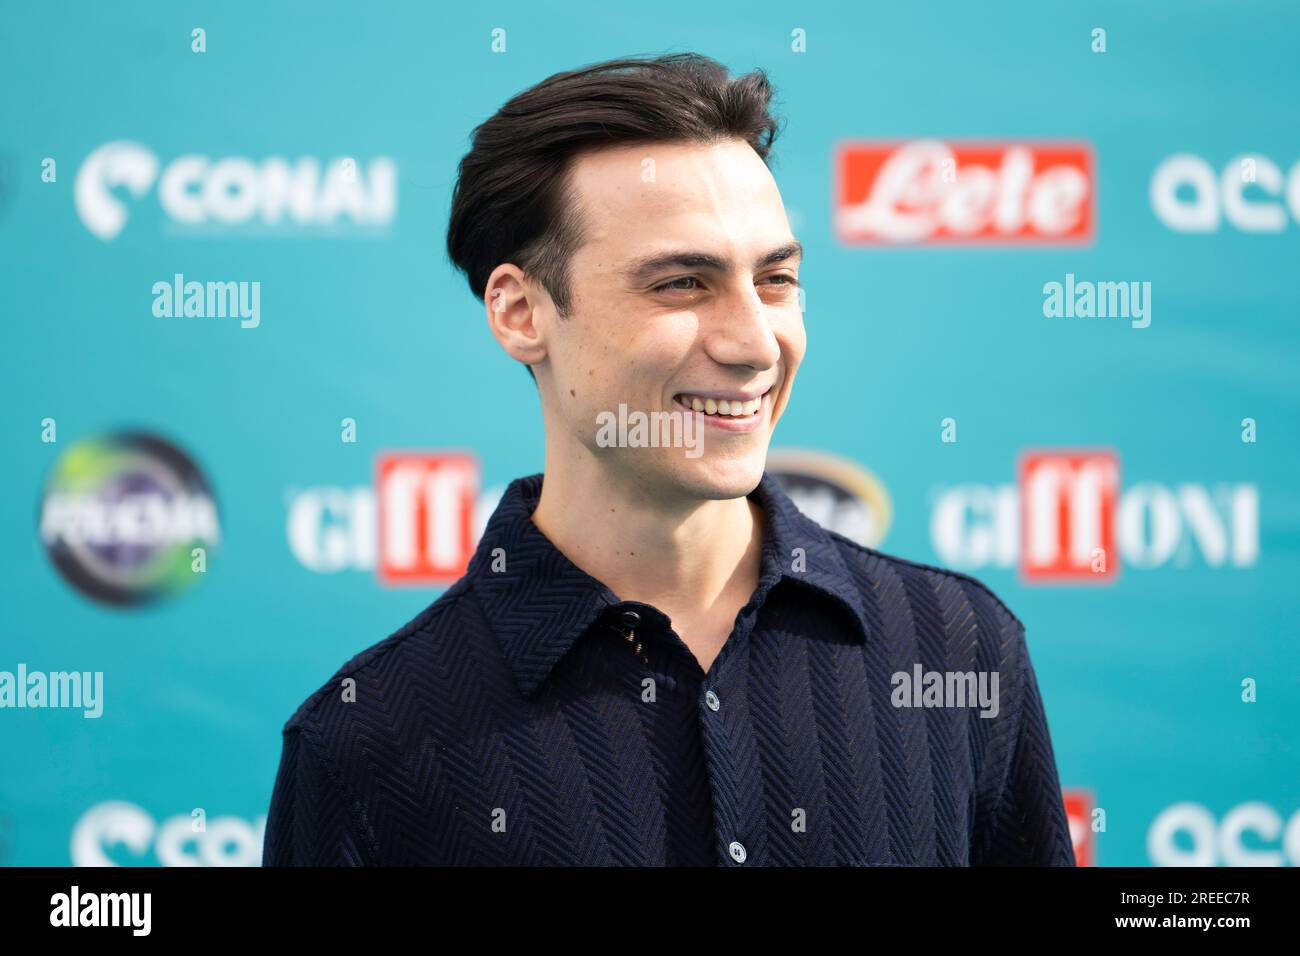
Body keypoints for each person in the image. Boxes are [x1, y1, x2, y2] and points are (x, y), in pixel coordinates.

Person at [263, 53, 1075, 866]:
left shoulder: (959, 652)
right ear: (519, 313)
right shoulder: (368, 743)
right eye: (683, 284)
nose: (756, 343)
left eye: (777, 279)